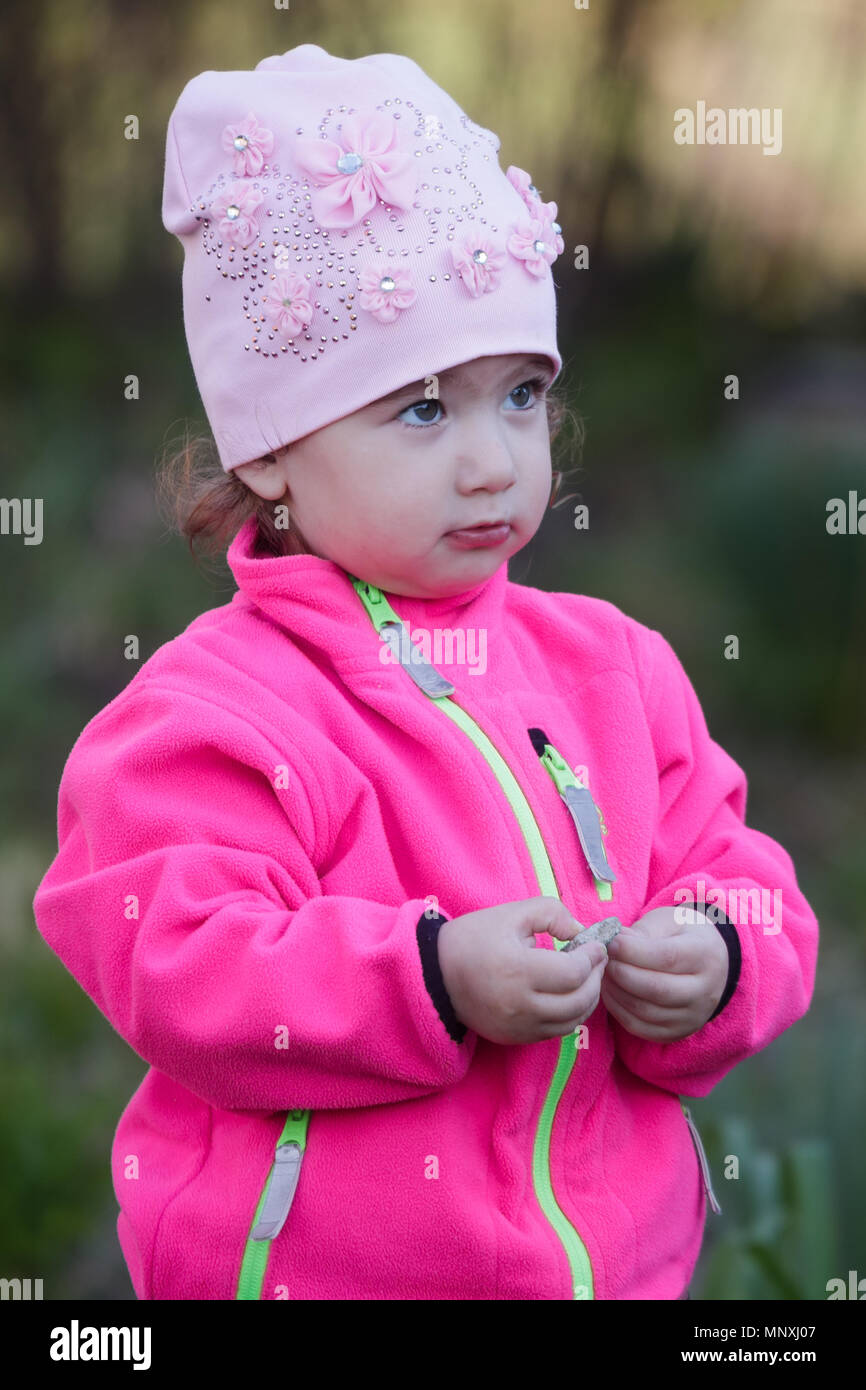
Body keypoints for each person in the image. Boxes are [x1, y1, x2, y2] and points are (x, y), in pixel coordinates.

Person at [32, 43, 818, 1302]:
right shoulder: (211, 713)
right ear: (274, 452)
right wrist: (432, 977)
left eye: (519, 397)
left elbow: (745, 878)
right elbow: (175, 959)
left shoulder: (612, 667)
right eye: (419, 410)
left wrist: (718, 956)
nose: (491, 462)